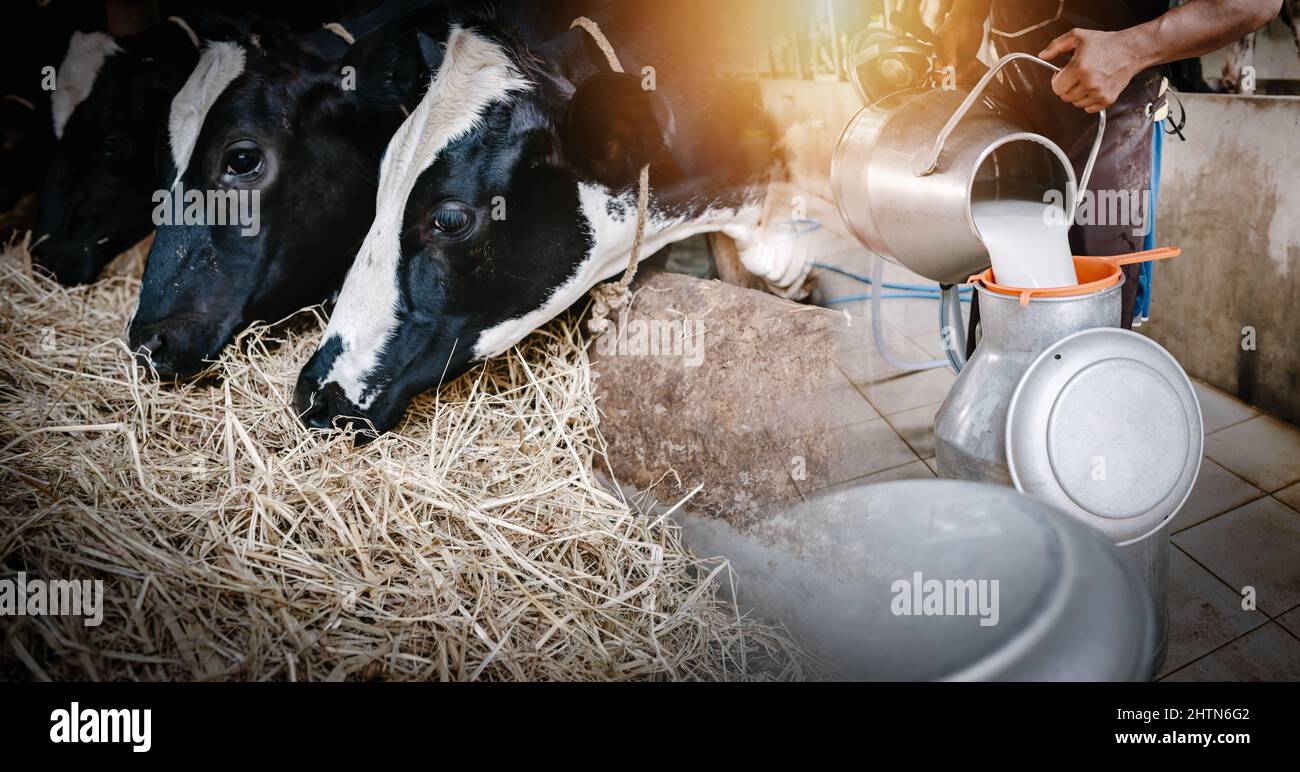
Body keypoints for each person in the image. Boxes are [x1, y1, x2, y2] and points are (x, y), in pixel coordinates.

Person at [936, 0, 1280, 335]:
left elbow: (1255, 3)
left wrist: (1131, 49)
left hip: (1109, 118)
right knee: (1006, 308)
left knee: (1090, 314)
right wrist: (967, 11)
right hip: (1019, 111)